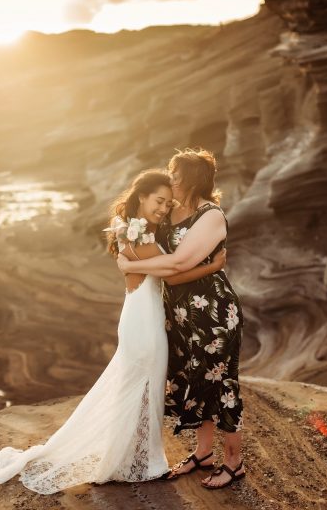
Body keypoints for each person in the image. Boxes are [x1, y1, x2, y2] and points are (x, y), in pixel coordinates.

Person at [0, 170, 225, 493]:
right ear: (141, 197)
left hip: (141, 315)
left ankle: (133, 459)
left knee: (139, 389)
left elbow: (164, 268)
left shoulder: (135, 229)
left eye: (168, 203)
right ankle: (137, 462)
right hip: (143, 321)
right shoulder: (137, 235)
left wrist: (137, 264)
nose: (164, 208)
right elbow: (175, 273)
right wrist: (213, 267)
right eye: (159, 201)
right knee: (143, 388)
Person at [117, 149, 245, 489]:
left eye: (175, 174)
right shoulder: (171, 211)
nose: (170, 179)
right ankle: (203, 454)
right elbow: (157, 258)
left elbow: (175, 266)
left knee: (221, 383)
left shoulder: (210, 215)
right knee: (196, 382)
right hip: (178, 314)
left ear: (190, 179)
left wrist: (131, 267)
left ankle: (234, 462)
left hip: (213, 313)